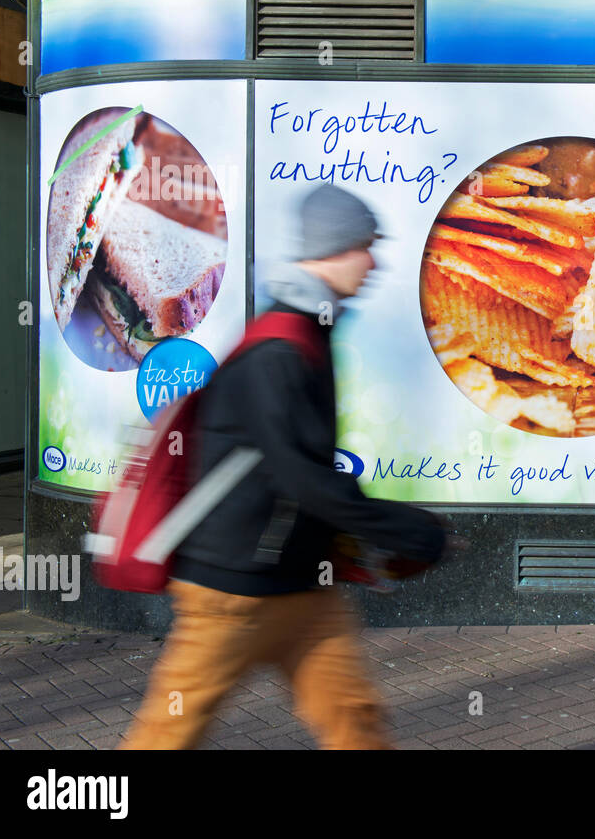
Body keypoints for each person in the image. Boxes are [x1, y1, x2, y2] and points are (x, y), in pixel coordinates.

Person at [121, 184, 446, 750]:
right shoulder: (280, 350)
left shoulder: (306, 331)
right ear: (333, 249)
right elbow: (300, 475)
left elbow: (301, 471)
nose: (375, 261)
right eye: (366, 245)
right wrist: (407, 530)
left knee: (356, 722)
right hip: (231, 591)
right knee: (166, 736)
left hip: (299, 586)